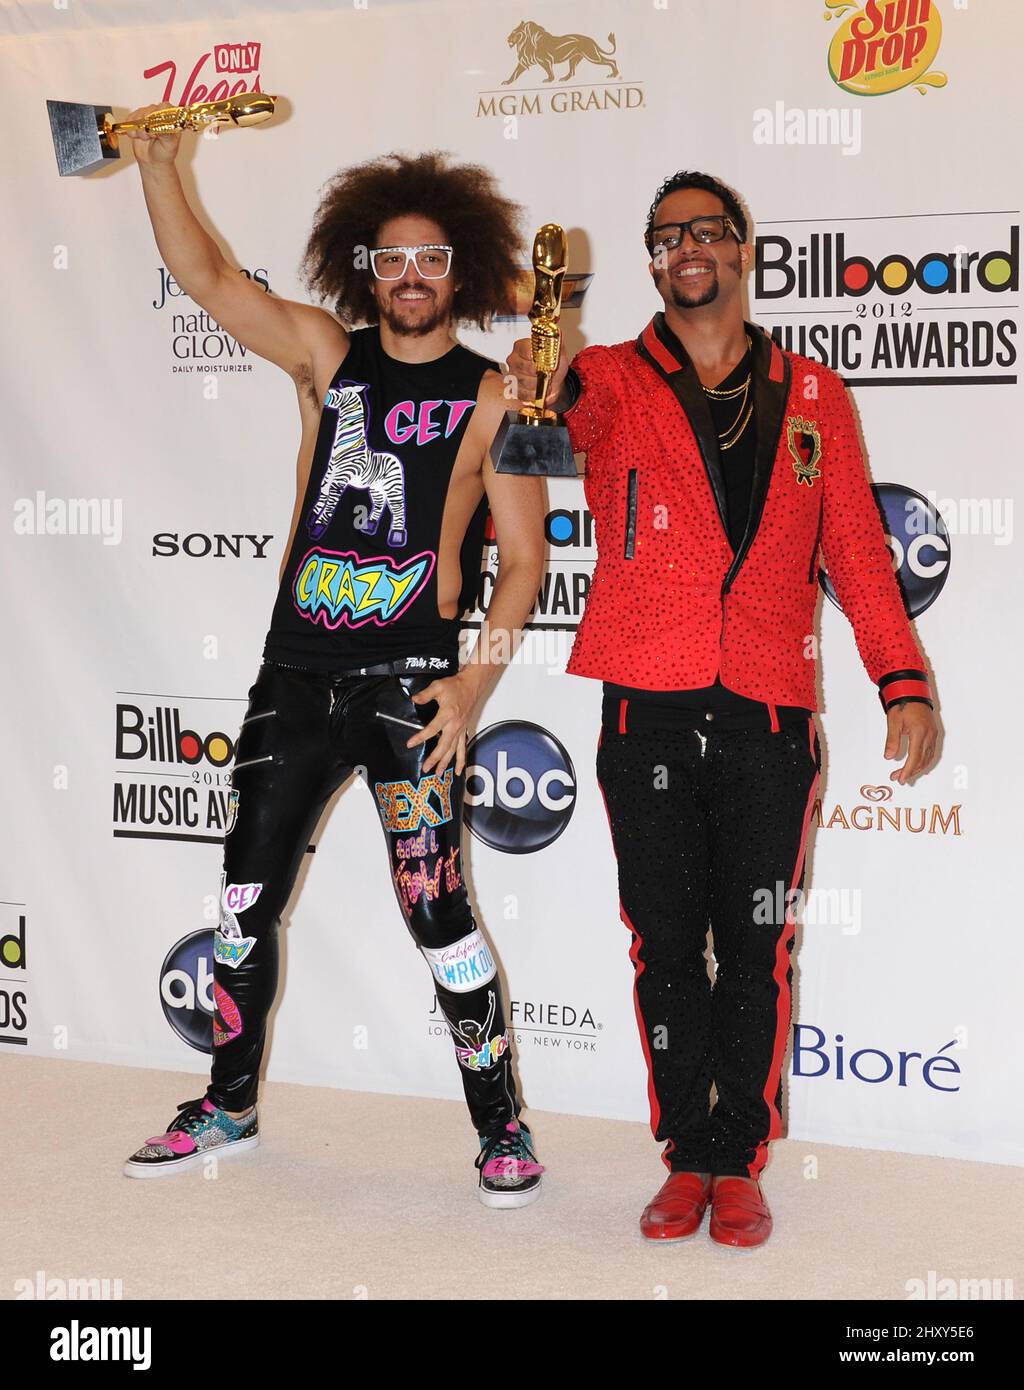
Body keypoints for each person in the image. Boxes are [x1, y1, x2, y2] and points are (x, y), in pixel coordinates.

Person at [121, 115, 546, 1208]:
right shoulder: (324, 353)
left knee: (438, 914)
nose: (410, 275)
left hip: (414, 691)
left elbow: (526, 570)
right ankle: (229, 1100)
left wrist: (476, 684)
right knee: (241, 901)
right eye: (391, 257)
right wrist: (161, 165)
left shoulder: (499, 395)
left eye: (431, 258)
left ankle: (502, 1130)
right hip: (295, 680)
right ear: (366, 265)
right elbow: (209, 276)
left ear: (464, 268)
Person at [508, 169, 938, 1246]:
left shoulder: (811, 394)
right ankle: (683, 1156)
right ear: (651, 262)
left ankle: (738, 1157)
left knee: (756, 947)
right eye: (663, 238)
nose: (684, 248)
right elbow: (544, 423)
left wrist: (903, 678)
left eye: (704, 231)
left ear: (743, 248)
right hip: (642, 699)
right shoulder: (608, 376)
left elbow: (854, 552)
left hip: (768, 709)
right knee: (662, 938)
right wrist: (536, 366)